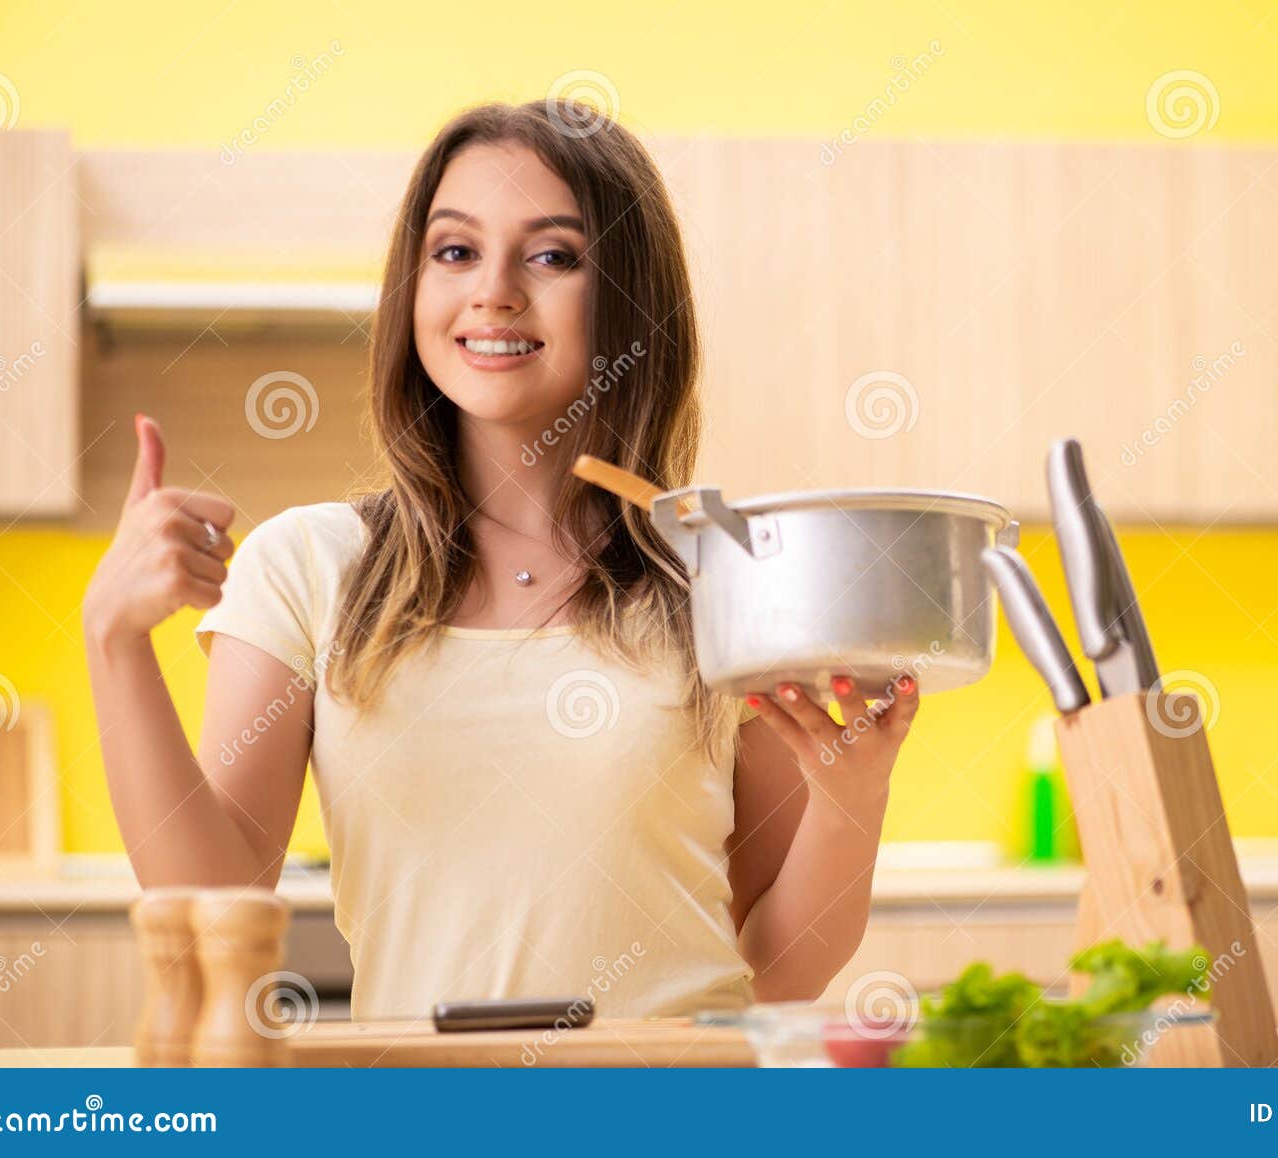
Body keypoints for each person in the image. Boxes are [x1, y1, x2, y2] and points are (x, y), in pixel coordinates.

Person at [82, 100, 921, 1020]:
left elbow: (775, 966)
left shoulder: (723, 579)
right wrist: (114, 643)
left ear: (630, 304)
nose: (493, 291)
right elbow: (217, 898)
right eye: (455, 251)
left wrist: (854, 793)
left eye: (553, 255)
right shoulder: (307, 568)